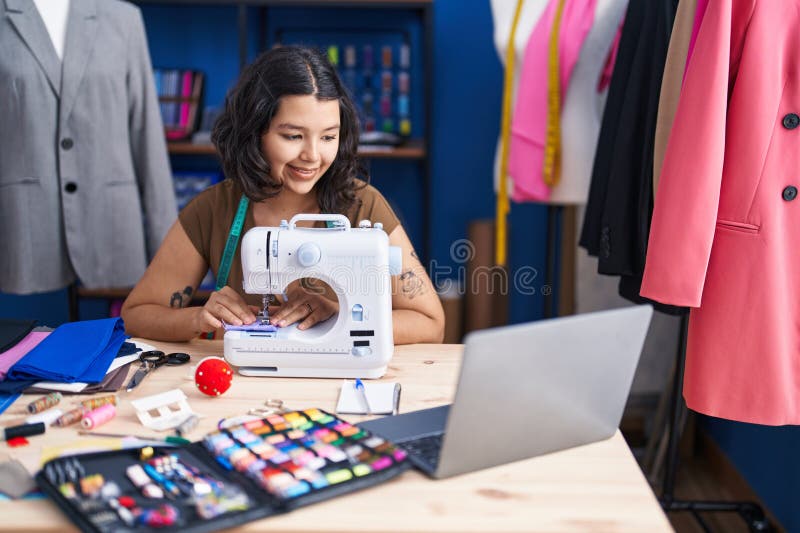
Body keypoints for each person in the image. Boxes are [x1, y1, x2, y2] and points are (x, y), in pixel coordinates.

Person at [121, 46, 445, 344]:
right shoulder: (214, 209)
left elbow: (430, 323)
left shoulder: (362, 205)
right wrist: (197, 316)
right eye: (293, 136)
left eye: (328, 137)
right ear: (254, 131)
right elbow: (136, 314)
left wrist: (338, 314)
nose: (313, 155)